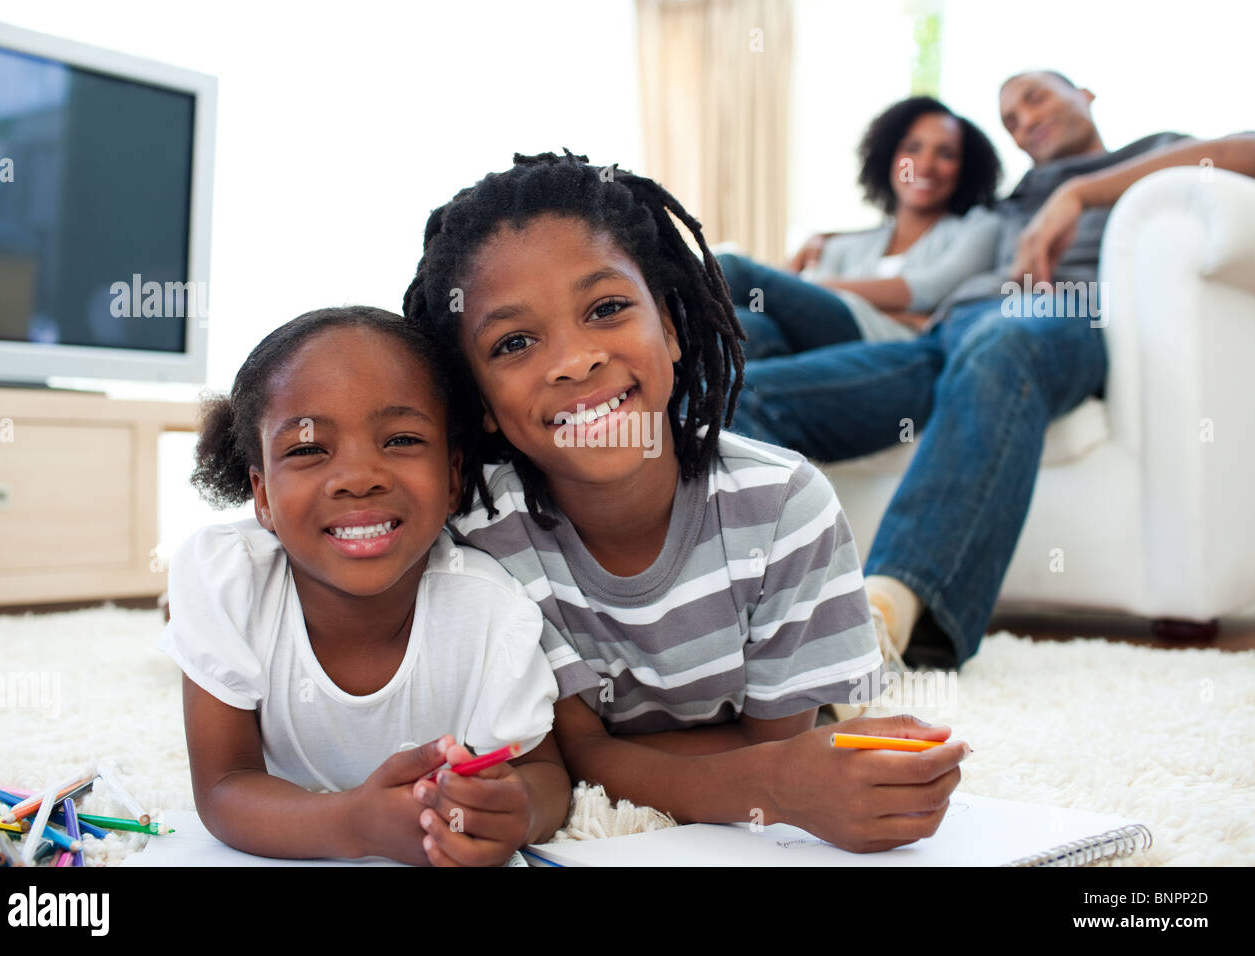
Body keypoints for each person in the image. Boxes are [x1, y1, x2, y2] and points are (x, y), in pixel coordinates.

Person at [404, 150, 971, 853]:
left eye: (607, 308)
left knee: (867, 667)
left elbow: (773, 744)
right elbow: (586, 757)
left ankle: (886, 614)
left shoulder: (787, 507)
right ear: (479, 400)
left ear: (670, 328)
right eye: (515, 342)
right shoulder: (489, 540)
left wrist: (762, 763)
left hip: (784, 608)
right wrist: (769, 780)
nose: (575, 360)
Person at [731, 70, 1255, 668]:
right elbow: (917, 225)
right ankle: (770, 611)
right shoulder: (1008, 204)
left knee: (1001, 345)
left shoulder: (1152, 154)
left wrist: (1081, 193)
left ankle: (889, 615)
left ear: (1085, 94)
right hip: (940, 342)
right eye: (1010, 119)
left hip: (1055, 321)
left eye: (1035, 98)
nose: (1024, 119)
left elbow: (1247, 152)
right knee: (749, 394)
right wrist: (829, 237)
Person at [159, 306, 570, 866]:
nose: (358, 478)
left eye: (400, 440)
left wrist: (515, 811)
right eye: (307, 450)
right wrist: (356, 824)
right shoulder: (227, 579)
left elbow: (544, 774)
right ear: (261, 495)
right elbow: (223, 786)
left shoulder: (492, 611)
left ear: (453, 477)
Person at [716, 95, 1001, 358]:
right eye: (912, 149)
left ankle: (671, 301)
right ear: (889, 156)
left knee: (734, 268)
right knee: (747, 326)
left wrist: (810, 286)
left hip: (890, 352)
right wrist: (909, 315)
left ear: (966, 168)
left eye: (946, 154)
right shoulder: (843, 245)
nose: (925, 165)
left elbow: (930, 289)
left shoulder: (979, 228)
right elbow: (811, 306)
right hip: (822, 351)